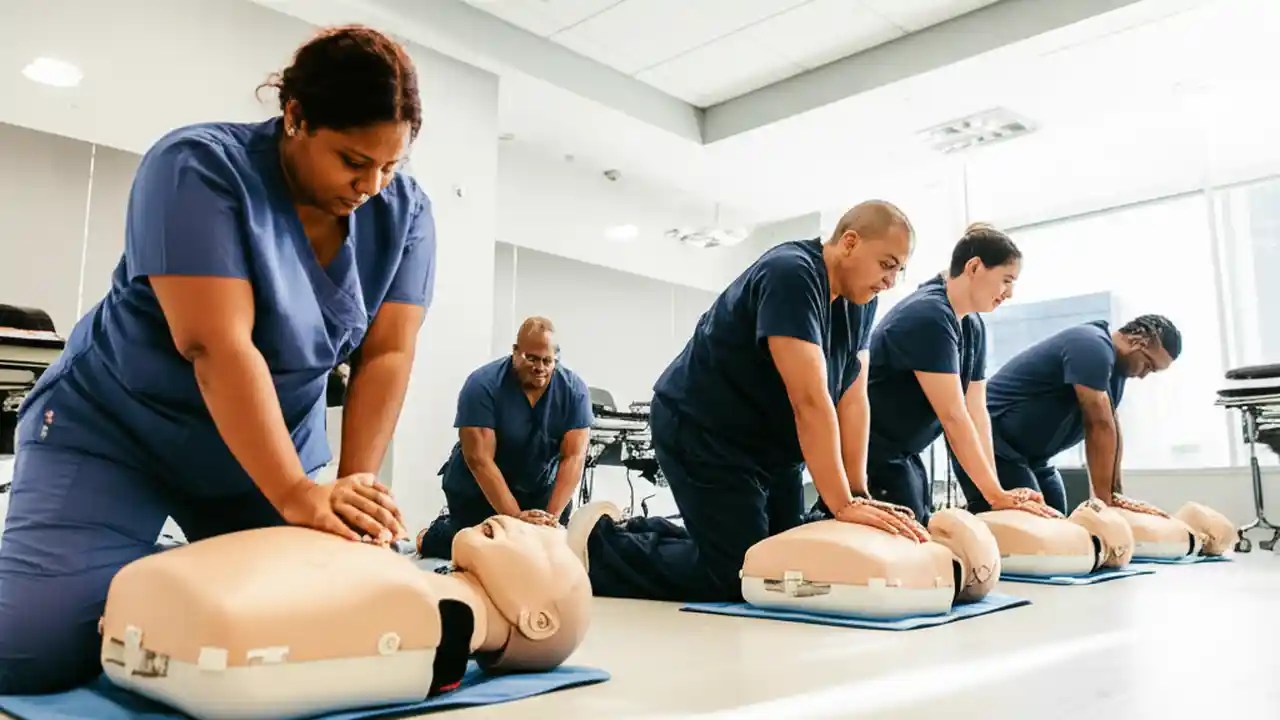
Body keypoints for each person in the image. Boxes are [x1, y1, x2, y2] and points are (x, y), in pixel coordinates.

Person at [0, 25, 434, 694]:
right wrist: (296, 497)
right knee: (30, 653)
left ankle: (164, 567)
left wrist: (351, 493)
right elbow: (216, 345)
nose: (372, 185)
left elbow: (388, 353)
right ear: (295, 116)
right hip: (117, 432)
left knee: (308, 637)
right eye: (353, 160)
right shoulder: (197, 166)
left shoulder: (404, 213)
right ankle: (116, 561)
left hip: (267, 455)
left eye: (391, 165)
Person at [566, 200, 928, 604]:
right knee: (739, 573)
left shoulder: (861, 303)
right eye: (887, 264)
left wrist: (857, 492)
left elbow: (853, 395)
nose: (891, 281)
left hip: (769, 448)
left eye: (899, 270)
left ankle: (637, 530)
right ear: (849, 242)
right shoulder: (792, 274)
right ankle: (598, 546)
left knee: (783, 564)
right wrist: (841, 504)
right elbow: (810, 399)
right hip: (704, 431)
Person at [816, 223, 1059, 525]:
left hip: (904, 452)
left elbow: (976, 412)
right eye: (1006, 280)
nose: (1009, 293)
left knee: (922, 529)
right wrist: (995, 495)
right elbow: (953, 416)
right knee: (902, 541)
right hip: (872, 454)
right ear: (974, 267)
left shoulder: (972, 325)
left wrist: (995, 493)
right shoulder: (928, 316)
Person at [956, 315, 1182, 516]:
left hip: (1033, 458)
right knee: (1034, 525)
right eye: (1148, 365)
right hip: (994, 445)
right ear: (1137, 342)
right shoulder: (1092, 345)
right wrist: (1105, 504)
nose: (1144, 375)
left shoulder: (1116, 374)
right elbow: (1099, 424)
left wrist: (1116, 495)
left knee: (1059, 520)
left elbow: (1112, 430)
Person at [418, 317, 593, 559]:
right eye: (531, 358)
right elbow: (480, 459)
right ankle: (433, 535)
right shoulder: (482, 384)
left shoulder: (574, 391)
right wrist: (514, 520)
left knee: (544, 552)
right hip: (480, 492)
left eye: (547, 361)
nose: (539, 367)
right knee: (483, 549)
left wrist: (550, 520)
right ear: (515, 351)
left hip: (539, 491)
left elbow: (574, 457)